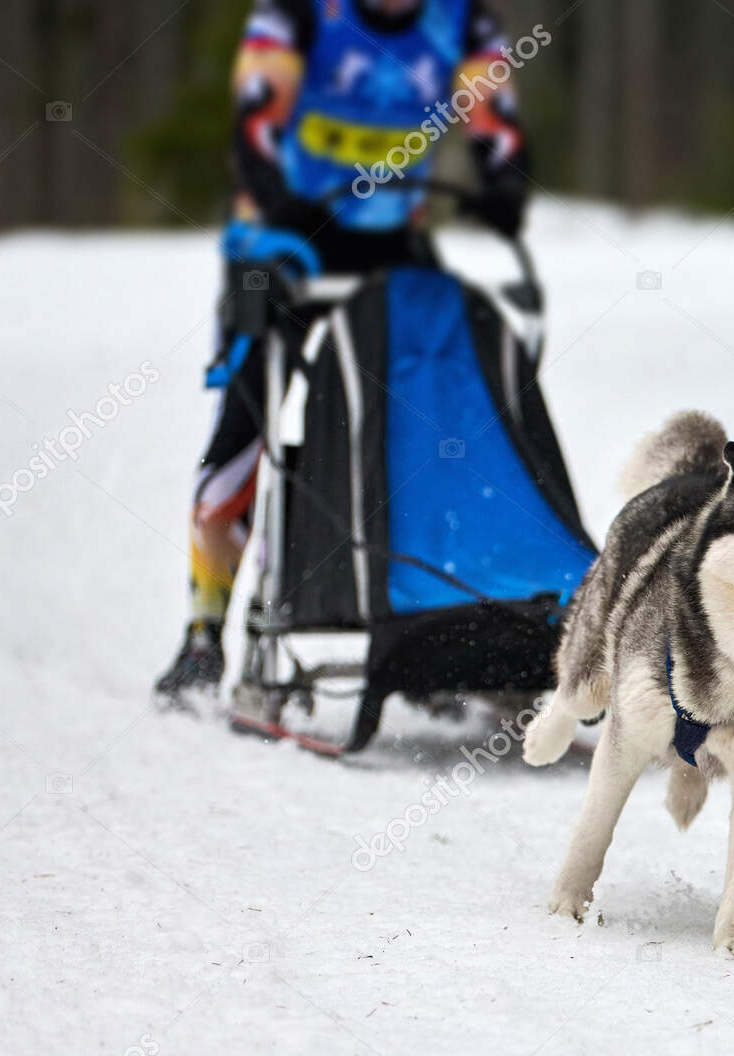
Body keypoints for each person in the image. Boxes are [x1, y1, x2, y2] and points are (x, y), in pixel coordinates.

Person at [155, 0, 531, 701]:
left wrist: (504, 179)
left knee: (434, 425)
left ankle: (432, 622)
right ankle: (205, 632)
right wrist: (273, 197)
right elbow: (255, 120)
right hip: (280, 235)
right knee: (246, 424)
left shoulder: (460, 19)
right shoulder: (296, 12)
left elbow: (495, 118)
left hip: (390, 239)